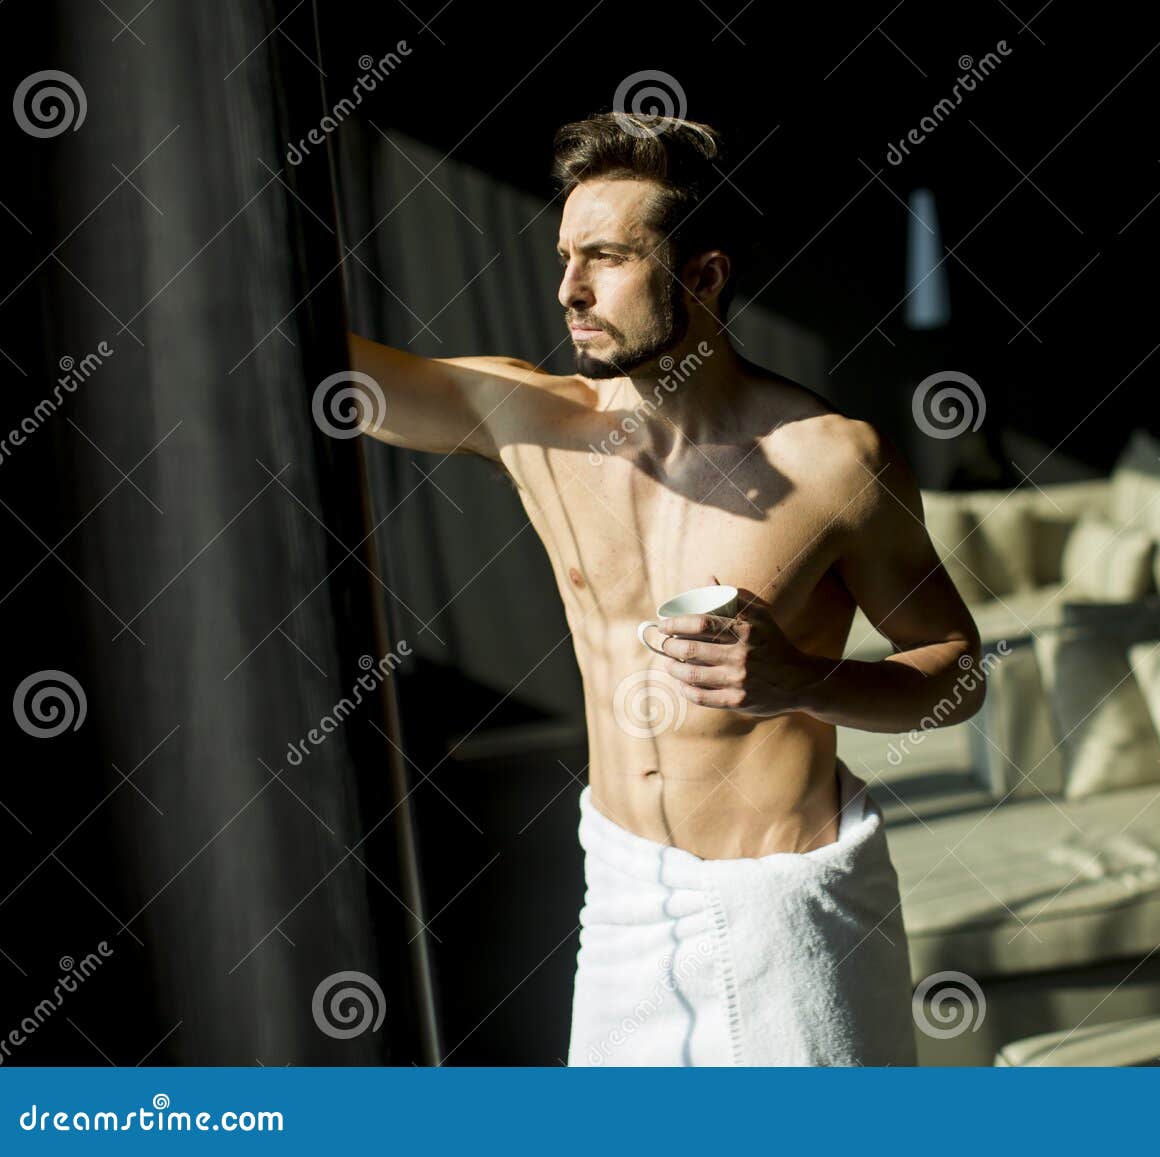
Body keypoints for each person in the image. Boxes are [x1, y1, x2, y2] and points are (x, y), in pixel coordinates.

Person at [345, 110, 983, 1066]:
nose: (569, 289)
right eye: (565, 256)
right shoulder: (532, 421)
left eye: (605, 257)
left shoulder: (833, 463)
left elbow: (959, 670)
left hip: (786, 907)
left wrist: (803, 680)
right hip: (626, 896)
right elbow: (324, 367)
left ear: (704, 275)